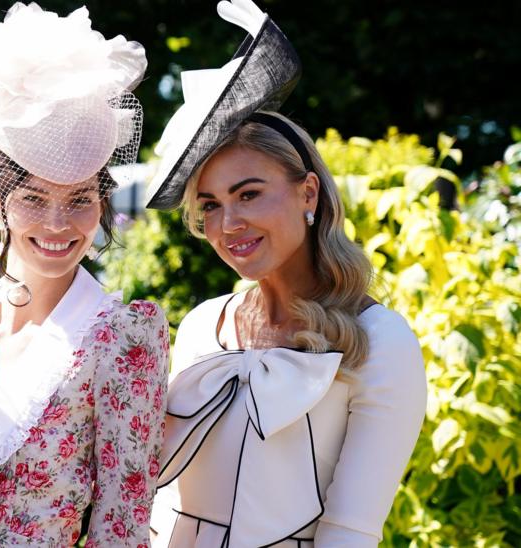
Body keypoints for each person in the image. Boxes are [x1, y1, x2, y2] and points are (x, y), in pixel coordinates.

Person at [144, 2, 427, 546]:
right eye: (210, 205)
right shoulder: (203, 326)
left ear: (308, 193)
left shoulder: (381, 342)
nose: (229, 223)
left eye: (249, 194)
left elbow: (350, 532)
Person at [0, 3, 169, 546]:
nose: (57, 223)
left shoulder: (123, 336)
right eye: (33, 198)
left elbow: (122, 520)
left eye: (79, 199)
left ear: (102, 203)